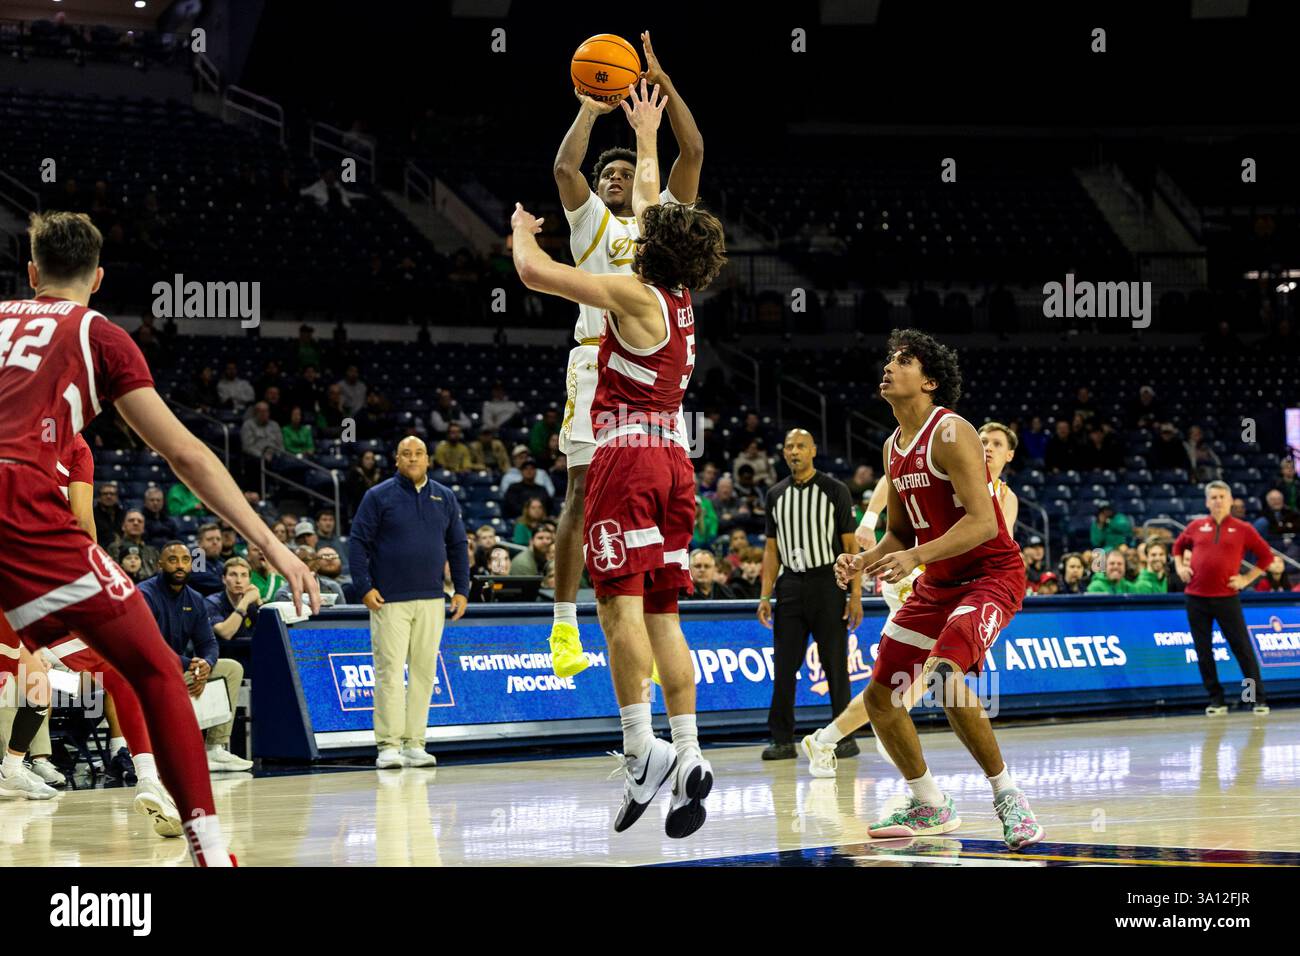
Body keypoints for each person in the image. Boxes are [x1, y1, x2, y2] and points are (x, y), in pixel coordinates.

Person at [0, 211, 317, 865]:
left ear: (31, 275)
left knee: (43, 670)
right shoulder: (101, 334)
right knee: (154, 671)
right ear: (98, 278)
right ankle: (208, 851)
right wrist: (275, 547)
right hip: (23, 506)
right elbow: (187, 456)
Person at [512, 75, 721, 838]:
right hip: (674, 461)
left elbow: (535, 275)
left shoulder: (634, 294)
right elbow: (656, 201)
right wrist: (643, 132)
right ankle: (690, 752)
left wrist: (519, 232)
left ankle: (641, 748)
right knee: (665, 613)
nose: (643, 209)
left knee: (619, 608)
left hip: (626, 457)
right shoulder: (680, 297)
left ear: (651, 245)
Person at [831, 329, 1043, 849]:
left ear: (928, 381)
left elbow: (983, 524)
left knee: (946, 675)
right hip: (939, 582)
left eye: (903, 361)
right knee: (881, 698)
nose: (889, 366)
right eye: (888, 358)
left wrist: (915, 557)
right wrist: (866, 559)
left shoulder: (951, 432)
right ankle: (929, 801)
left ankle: (1009, 798)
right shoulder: (891, 446)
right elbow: (900, 533)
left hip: (991, 577)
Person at [545, 34, 705, 684]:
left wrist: (664, 87)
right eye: (605, 175)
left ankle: (648, 613)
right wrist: (590, 106)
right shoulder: (593, 227)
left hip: (655, 371)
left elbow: (691, 150)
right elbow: (563, 171)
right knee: (582, 494)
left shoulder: (664, 221)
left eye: (623, 173)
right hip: (595, 367)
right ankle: (562, 625)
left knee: (651, 490)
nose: (614, 180)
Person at [806, 419, 1020, 777]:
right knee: (914, 677)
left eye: (996, 443)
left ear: (1009, 455)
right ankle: (868, 735)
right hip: (916, 571)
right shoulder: (946, 458)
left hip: (963, 578)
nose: (987, 446)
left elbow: (999, 541)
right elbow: (896, 480)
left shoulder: (1004, 495)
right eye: (983, 439)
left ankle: (839, 735)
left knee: (916, 680)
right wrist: (869, 521)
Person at [348, 437, 469, 769]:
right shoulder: (378, 496)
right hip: (389, 600)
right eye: (406, 454)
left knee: (424, 673)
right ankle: (387, 745)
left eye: (418, 454)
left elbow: (458, 545)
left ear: (428, 459)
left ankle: (415, 742)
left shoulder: (444, 497)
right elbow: (358, 543)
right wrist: (363, 587)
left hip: (432, 599)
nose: (413, 459)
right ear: (396, 460)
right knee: (389, 672)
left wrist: (462, 589)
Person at [755, 429, 859, 759]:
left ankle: (844, 737)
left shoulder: (835, 490)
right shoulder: (775, 494)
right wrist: (764, 595)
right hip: (790, 586)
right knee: (784, 666)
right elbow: (771, 550)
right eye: (789, 446)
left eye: (801, 445)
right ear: (783, 453)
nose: (795, 451)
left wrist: (854, 596)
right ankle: (782, 739)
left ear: (813, 450)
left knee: (835, 665)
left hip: (827, 584)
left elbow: (850, 546)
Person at [139, 543, 253, 774]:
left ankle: (214, 749)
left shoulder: (195, 598)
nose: (180, 565)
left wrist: (206, 664)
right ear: (160, 564)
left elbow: (208, 643)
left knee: (231, 668)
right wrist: (189, 664)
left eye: (185, 560)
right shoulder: (144, 594)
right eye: (173, 560)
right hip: (148, 672)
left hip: (180, 669)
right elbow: (148, 645)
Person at [1173, 480, 1275, 716]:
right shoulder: (1196, 526)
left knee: (1242, 649)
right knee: (1203, 650)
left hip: (1227, 597)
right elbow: (1177, 548)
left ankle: (1257, 698)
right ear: (1207, 502)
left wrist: (1245, 579)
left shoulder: (1243, 529)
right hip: (1196, 598)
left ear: (1230, 501)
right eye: (1214, 497)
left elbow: (1266, 558)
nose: (1218, 501)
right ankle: (1216, 700)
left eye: (1222, 497)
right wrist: (1180, 567)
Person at [205, 556, 261, 642]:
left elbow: (270, 632)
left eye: (244, 575)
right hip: (223, 653)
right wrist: (244, 602)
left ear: (250, 580)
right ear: (224, 579)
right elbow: (226, 633)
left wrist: (259, 603)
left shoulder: (252, 604)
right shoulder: (212, 603)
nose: (238, 581)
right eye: (233, 575)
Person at [109, 510, 160, 576]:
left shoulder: (152, 551)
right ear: (123, 526)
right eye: (131, 520)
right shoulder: (114, 548)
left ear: (143, 528)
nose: (136, 523)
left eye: (140, 521)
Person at [92, 480, 125, 547]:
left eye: (112, 494)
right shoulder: (92, 514)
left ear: (117, 497)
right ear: (99, 497)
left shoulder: (123, 514)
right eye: (105, 494)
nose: (108, 496)